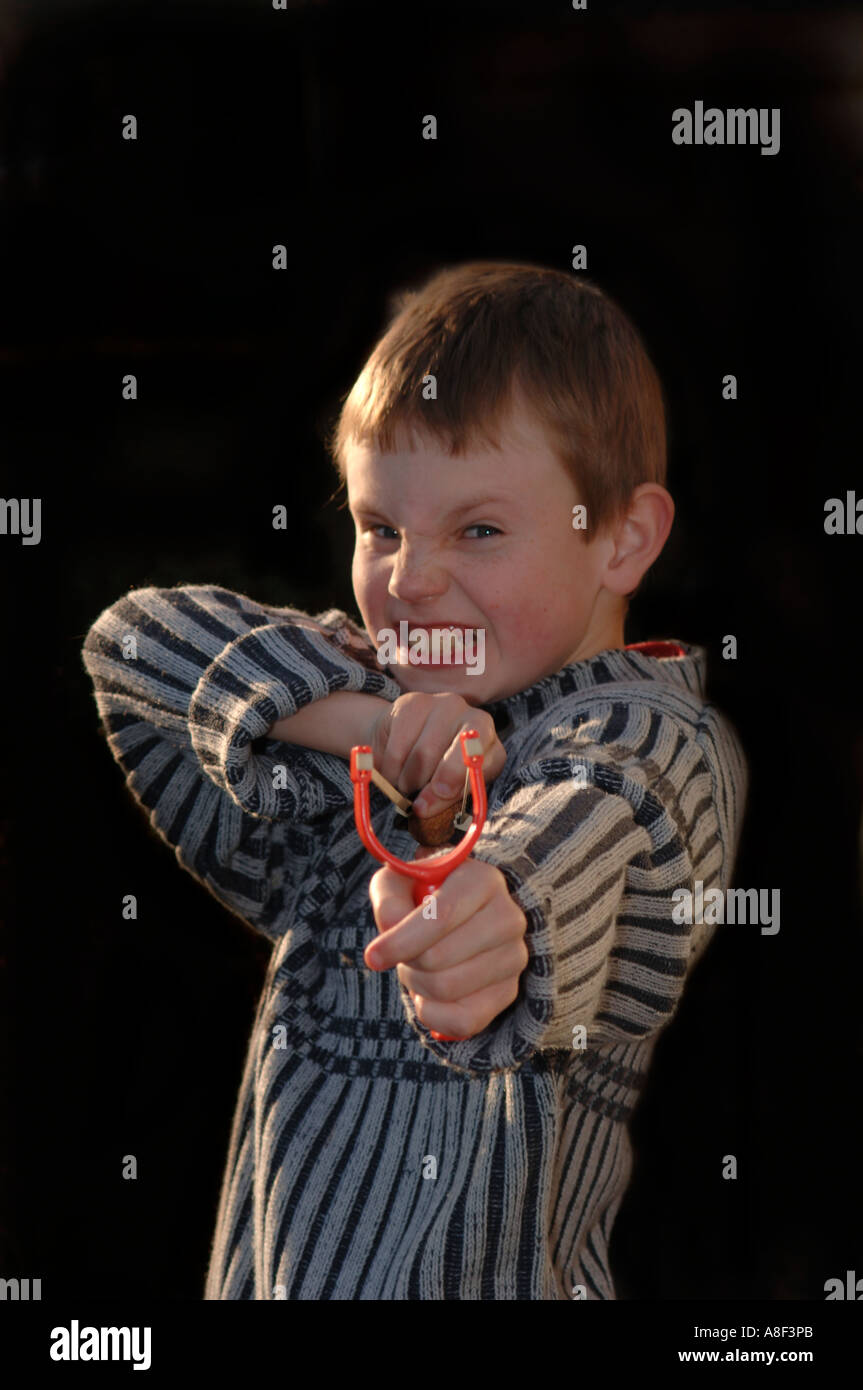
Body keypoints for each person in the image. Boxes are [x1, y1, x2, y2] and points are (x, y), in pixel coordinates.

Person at [81, 261, 748, 1300]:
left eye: (477, 529)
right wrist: (377, 732)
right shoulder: (368, 701)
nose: (410, 578)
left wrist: (493, 914)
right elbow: (129, 645)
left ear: (622, 536)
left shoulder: (653, 740)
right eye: (379, 528)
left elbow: (587, 825)